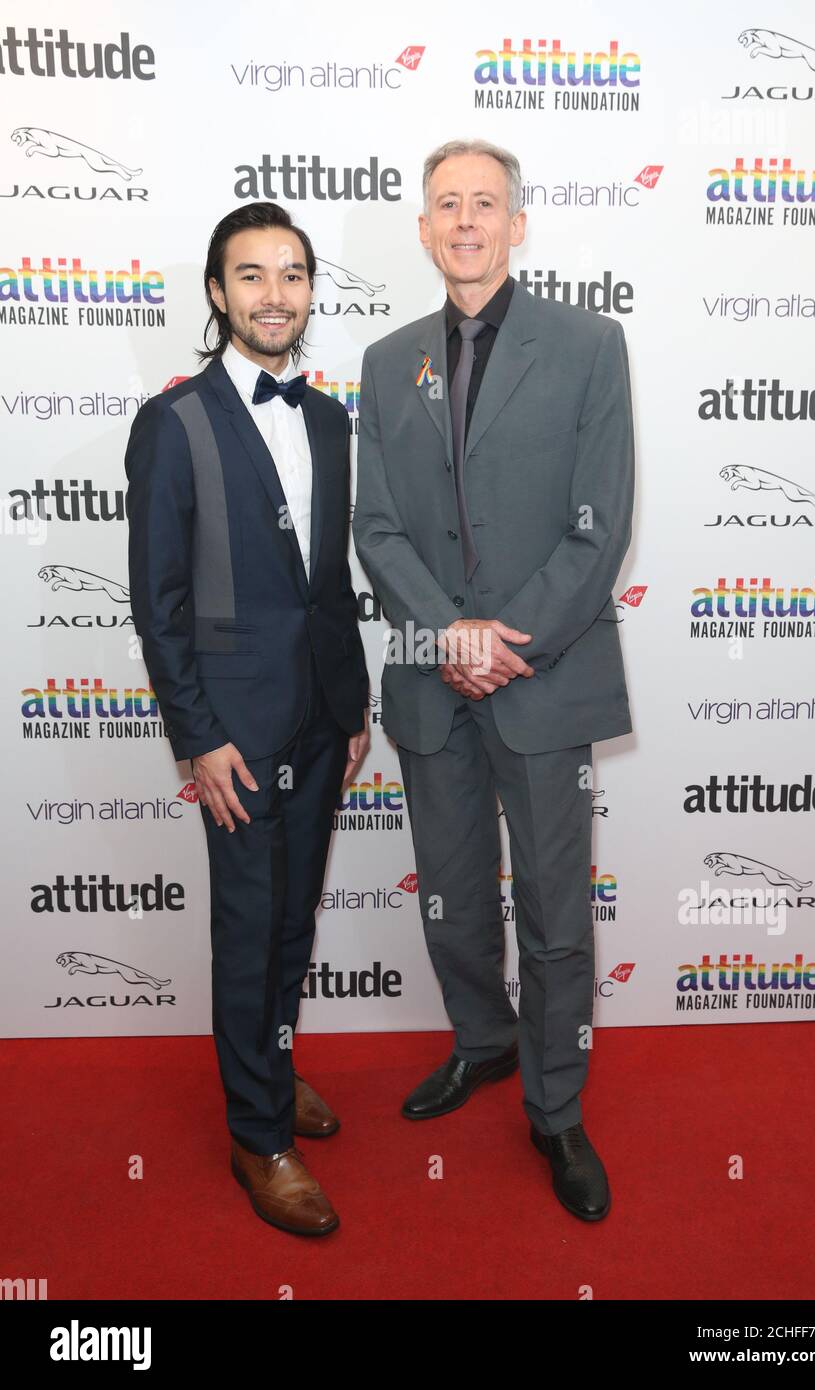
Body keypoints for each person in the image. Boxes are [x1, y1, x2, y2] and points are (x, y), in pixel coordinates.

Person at [353, 139, 634, 1221]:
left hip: (544, 679)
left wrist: (504, 638)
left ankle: (556, 1110)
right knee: (453, 901)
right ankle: (483, 1043)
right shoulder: (386, 362)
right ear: (422, 230)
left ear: (518, 224)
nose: (464, 221)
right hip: (435, 682)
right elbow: (375, 526)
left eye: (484, 203)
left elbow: (599, 524)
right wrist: (450, 635)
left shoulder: (589, 345)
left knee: (557, 918)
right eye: (445, 205)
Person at [126, 202, 369, 1236]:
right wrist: (197, 733)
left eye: (293, 274)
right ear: (219, 294)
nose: (276, 294)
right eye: (252, 275)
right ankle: (257, 1135)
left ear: (311, 291)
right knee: (248, 926)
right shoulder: (172, 423)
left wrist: (351, 704)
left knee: (294, 918)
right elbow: (158, 600)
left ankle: (270, 1065)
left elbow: (328, 582)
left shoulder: (325, 417)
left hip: (320, 714)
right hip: (234, 732)